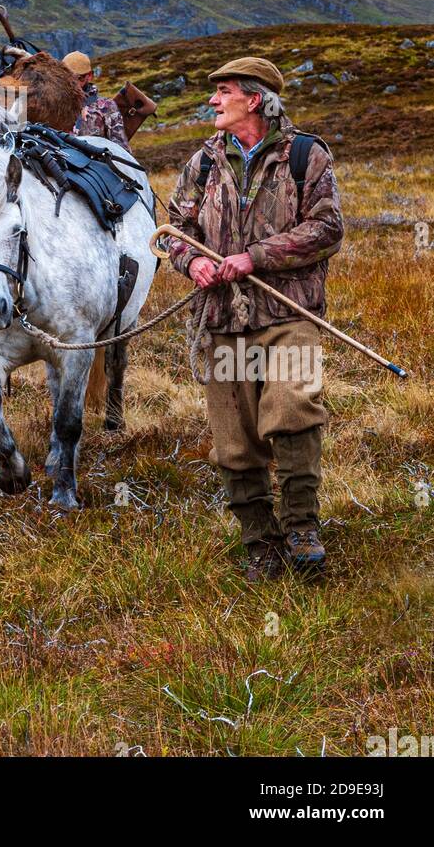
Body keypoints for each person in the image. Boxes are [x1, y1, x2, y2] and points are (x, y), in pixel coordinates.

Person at [165, 57, 344, 582]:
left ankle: (301, 527)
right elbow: (175, 229)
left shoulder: (305, 157)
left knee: (292, 407)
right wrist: (193, 261)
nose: (213, 101)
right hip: (222, 319)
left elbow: (328, 228)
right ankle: (259, 540)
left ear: (256, 99)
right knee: (234, 437)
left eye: (223, 92)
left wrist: (256, 257)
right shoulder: (201, 163)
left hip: (289, 311)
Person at [61, 51, 155, 148]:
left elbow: (121, 149)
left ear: (89, 76)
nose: (71, 83)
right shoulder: (53, 104)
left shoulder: (107, 107)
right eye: (67, 78)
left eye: (78, 78)